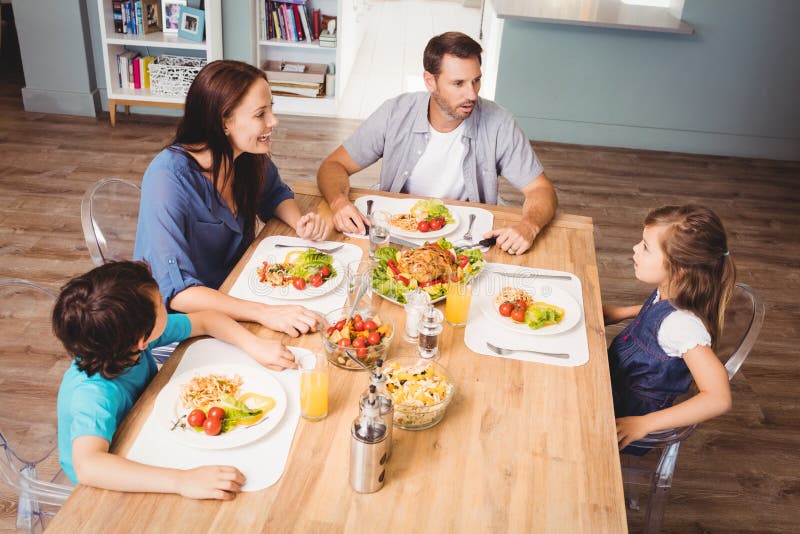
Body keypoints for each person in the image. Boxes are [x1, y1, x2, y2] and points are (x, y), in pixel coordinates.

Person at [53, 261, 297, 496]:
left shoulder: (124, 342)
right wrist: (182, 481)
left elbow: (207, 319)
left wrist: (254, 344)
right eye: (160, 302)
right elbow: (89, 466)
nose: (165, 302)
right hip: (113, 476)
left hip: (146, 426)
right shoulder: (92, 393)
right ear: (142, 339)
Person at [317, 31, 557, 255]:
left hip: (469, 238)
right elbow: (333, 165)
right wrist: (338, 203)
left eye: (476, 81)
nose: (472, 94)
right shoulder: (395, 113)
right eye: (458, 83)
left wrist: (529, 226)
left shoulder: (499, 123)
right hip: (400, 232)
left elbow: (541, 189)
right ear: (430, 81)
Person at [134, 60, 328, 337]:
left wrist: (300, 223)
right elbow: (178, 292)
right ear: (224, 121)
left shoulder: (246, 156)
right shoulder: (167, 179)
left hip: (240, 291)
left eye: (271, 108)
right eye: (260, 114)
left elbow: (274, 194)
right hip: (183, 325)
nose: (273, 121)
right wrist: (264, 312)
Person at [603, 205, 735, 454]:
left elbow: (718, 398)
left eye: (645, 247)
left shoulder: (682, 326)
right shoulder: (672, 290)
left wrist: (643, 424)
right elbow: (659, 314)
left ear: (679, 268)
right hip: (612, 382)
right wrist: (620, 312)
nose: (635, 248)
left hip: (623, 414)